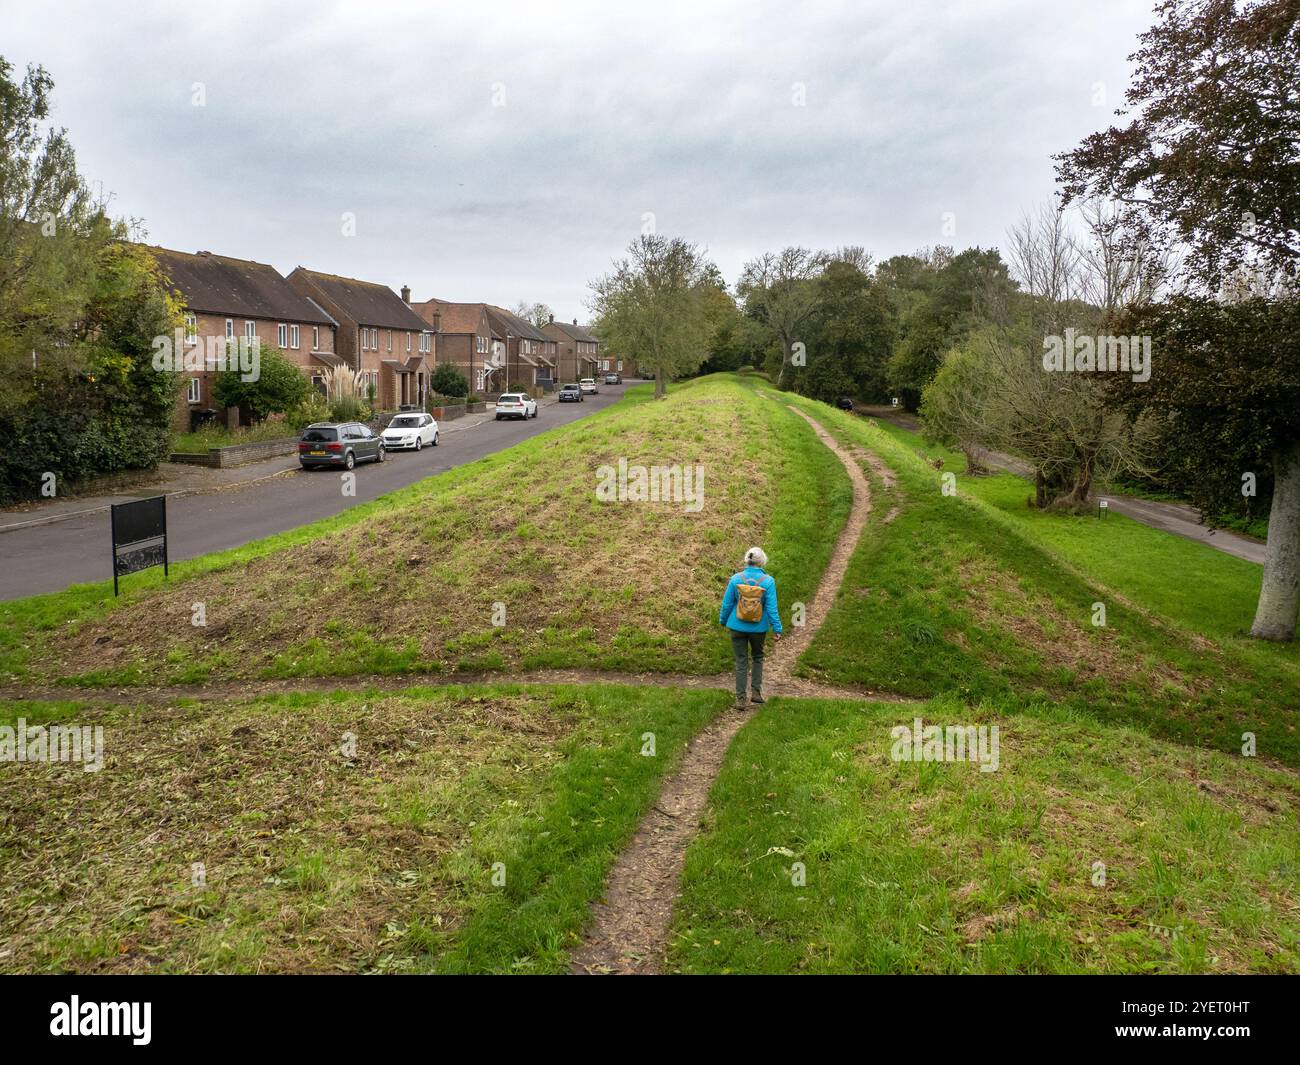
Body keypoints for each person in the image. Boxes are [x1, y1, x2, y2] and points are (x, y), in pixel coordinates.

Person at [719, 546, 782, 710]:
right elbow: (772, 608)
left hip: (736, 626)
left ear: (746, 560)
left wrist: (723, 620)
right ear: (762, 562)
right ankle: (756, 692)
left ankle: (740, 699)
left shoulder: (735, 579)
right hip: (758, 627)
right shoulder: (768, 581)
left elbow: (727, 604)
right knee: (758, 657)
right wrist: (777, 628)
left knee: (741, 661)